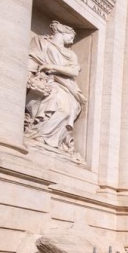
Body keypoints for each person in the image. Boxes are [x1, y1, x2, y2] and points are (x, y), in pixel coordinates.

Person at [25, 21, 88, 159]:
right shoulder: (41, 42)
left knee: (68, 109)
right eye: (70, 36)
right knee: (55, 101)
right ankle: (39, 135)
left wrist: (51, 66)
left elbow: (74, 71)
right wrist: (30, 76)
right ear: (61, 32)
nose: (72, 39)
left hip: (66, 86)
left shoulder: (70, 53)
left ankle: (49, 139)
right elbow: (32, 58)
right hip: (47, 81)